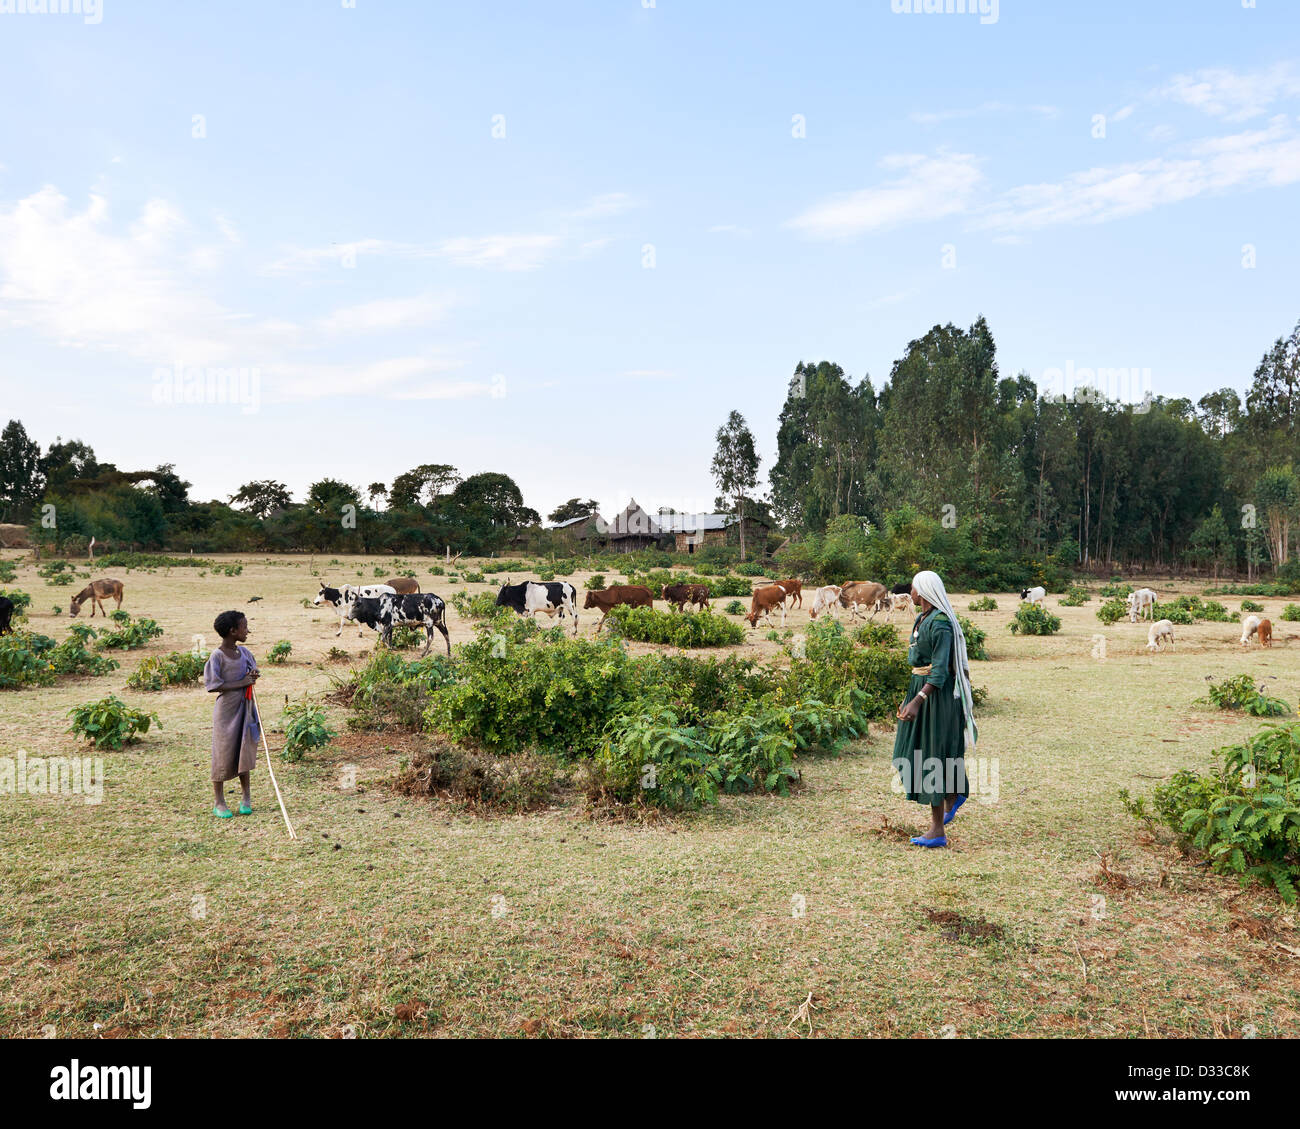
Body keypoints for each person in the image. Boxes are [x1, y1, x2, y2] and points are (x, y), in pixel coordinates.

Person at [890, 570, 978, 848]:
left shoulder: (940, 625)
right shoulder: (922, 618)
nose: (910, 593)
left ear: (923, 592)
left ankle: (937, 829)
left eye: (913, 588)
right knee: (907, 752)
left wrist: (919, 699)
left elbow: (939, 672)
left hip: (936, 698)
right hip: (920, 689)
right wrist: (909, 697)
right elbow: (920, 665)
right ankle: (954, 794)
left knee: (932, 757)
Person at [204, 610, 260, 819]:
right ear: (232, 631)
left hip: (246, 708)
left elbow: (252, 672)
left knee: (243, 750)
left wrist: (253, 675)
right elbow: (213, 685)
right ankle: (219, 802)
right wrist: (241, 683)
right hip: (226, 712)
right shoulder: (217, 656)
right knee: (222, 753)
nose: (248, 631)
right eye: (244, 627)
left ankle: (246, 798)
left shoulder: (244, 653)